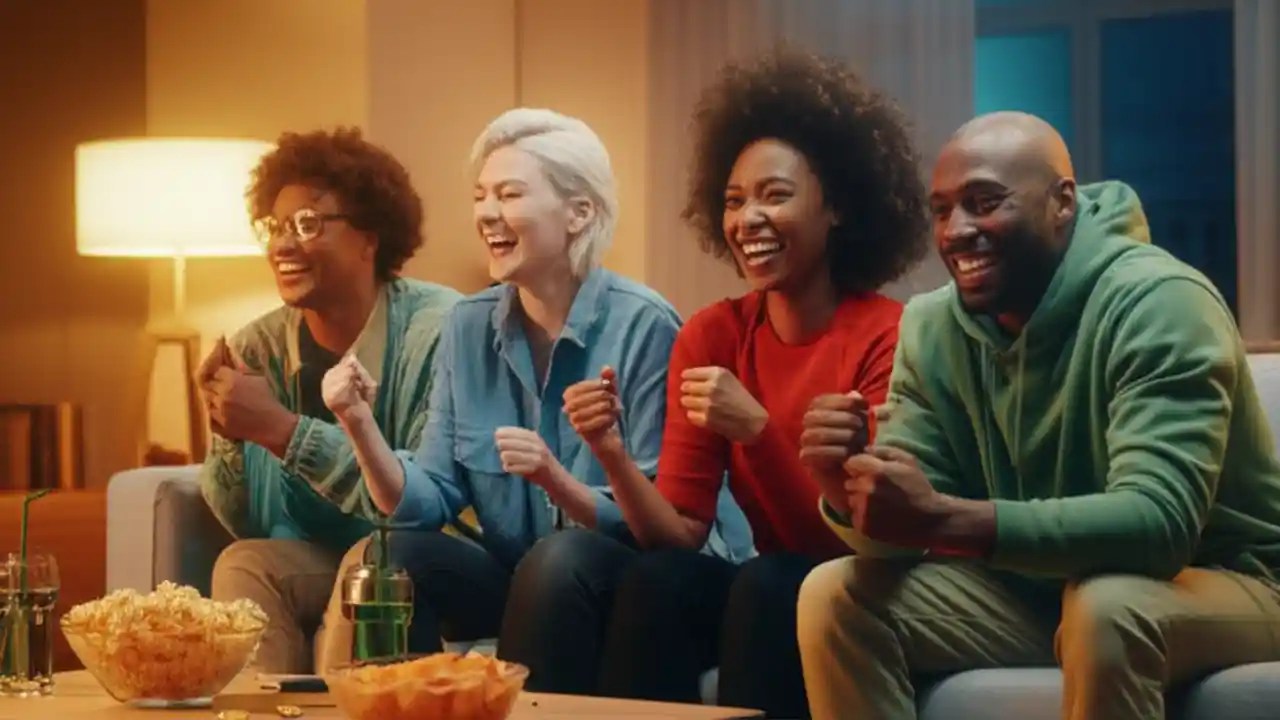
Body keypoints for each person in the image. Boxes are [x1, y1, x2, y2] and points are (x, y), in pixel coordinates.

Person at [796, 111, 1280, 720]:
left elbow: (1160, 527)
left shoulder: (1161, 301)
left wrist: (946, 519)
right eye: (942, 210)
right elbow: (906, 525)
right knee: (835, 595)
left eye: (985, 202)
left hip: (1232, 582)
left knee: (1110, 608)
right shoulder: (932, 326)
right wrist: (844, 488)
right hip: (1047, 588)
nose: (957, 231)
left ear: (1062, 203)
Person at [315, 108, 749, 687]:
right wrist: (357, 423)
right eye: (480, 196)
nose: (487, 213)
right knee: (393, 555)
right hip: (521, 576)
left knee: (560, 559)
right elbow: (427, 502)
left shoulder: (643, 326)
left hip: (635, 583)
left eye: (510, 194)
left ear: (579, 212)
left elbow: (658, 529)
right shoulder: (467, 327)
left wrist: (553, 477)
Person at [561, 51, 928, 717]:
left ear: (839, 206)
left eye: (775, 195)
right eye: (734, 202)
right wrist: (611, 451)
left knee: (770, 579)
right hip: (772, 579)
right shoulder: (712, 336)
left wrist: (757, 432)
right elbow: (677, 535)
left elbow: (848, 542)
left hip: (860, 581)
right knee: (657, 579)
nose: (748, 219)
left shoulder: (889, 335)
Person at [197, 128, 461, 673]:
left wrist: (282, 431)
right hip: (312, 553)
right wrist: (229, 437)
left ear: (370, 238)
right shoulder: (258, 346)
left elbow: (419, 509)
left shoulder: (439, 332)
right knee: (243, 562)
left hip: (419, 556)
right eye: (275, 227)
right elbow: (245, 521)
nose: (283, 245)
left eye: (308, 224)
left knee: (366, 568)